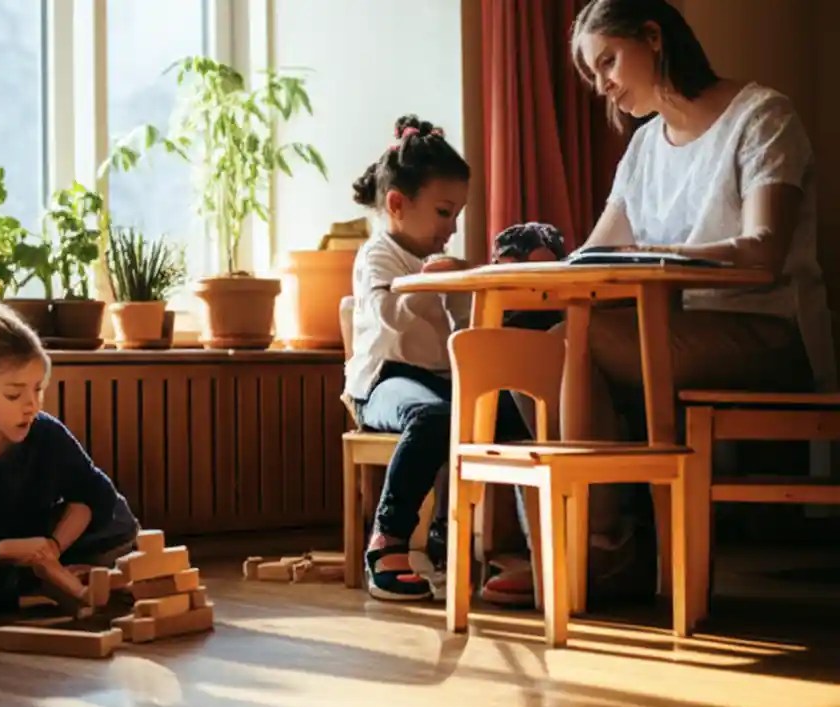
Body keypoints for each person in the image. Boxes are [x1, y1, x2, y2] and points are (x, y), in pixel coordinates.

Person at [556, 0, 835, 596]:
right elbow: (596, 252)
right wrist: (536, 266)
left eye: (608, 60)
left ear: (653, 37)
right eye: (592, 73)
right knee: (538, 348)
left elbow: (763, 252)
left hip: (767, 334)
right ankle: (588, 546)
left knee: (573, 347)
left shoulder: (761, 114)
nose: (603, 85)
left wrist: (658, 257)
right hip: (673, 332)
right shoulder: (644, 147)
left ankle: (603, 555)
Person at [345, 114, 532, 601]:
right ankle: (388, 542)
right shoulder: (378, 255)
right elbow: (386, 315)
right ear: (397, 205)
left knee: (517, 408)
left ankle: (479, 544)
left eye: (458, 214)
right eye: (444, 212)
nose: (451, 227)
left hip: (437, 376)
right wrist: (429, 280)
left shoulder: (439, 255)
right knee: (434, 418)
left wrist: (468, 282)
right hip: (384, 381)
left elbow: (465, 327)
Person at [0, 301, 140, 615]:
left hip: (40, 542)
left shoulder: (46, 432)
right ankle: (28, 590)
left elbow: (94, 494)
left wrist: (51, 547)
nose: (31, 405)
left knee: (117, 520)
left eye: (38, 390)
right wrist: (9, 551)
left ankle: (50, 580)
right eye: (14, 394)